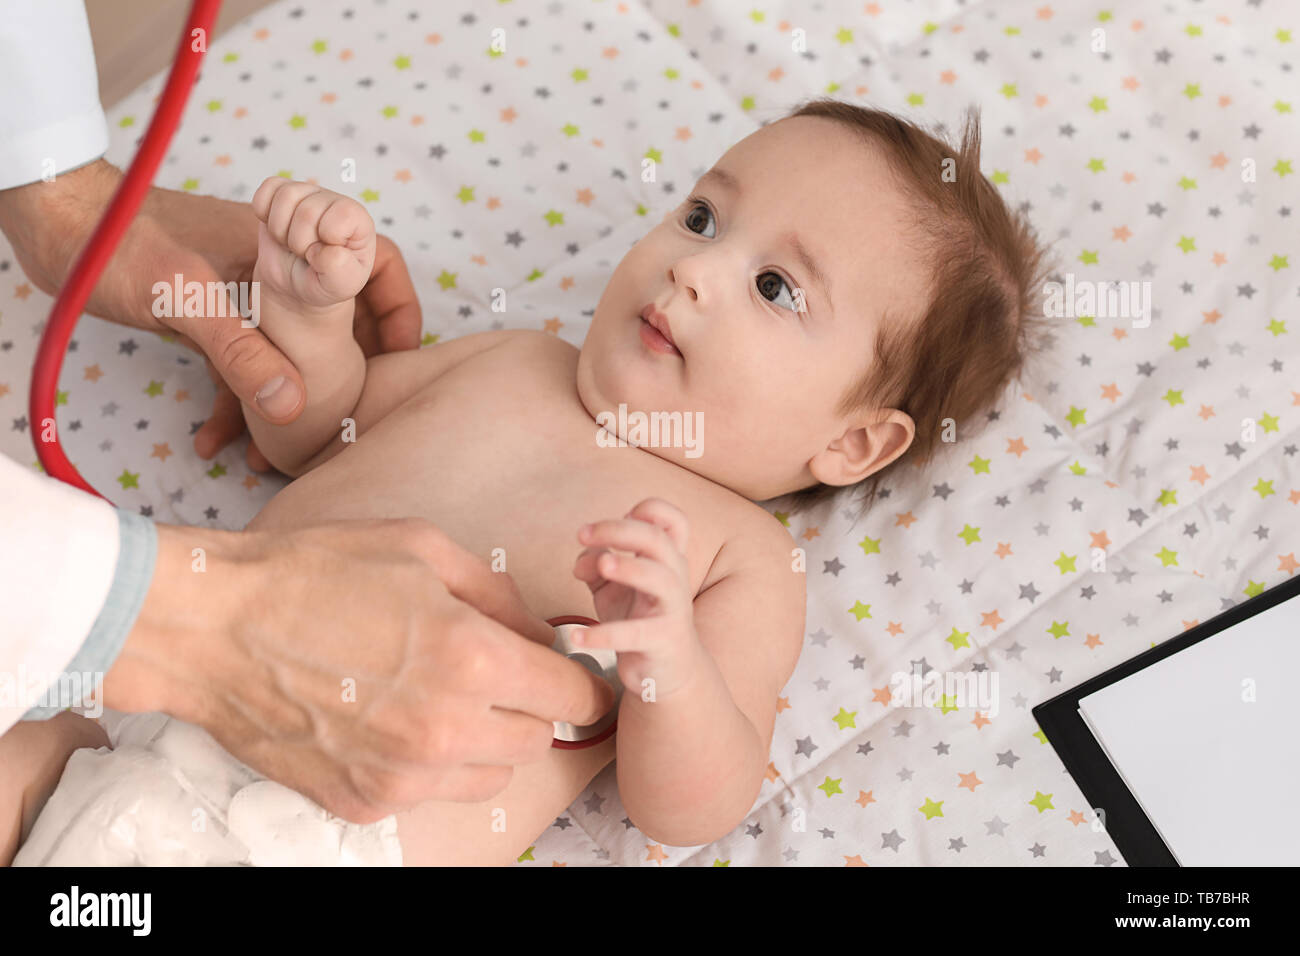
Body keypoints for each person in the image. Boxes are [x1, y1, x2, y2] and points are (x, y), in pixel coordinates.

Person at [0, 0, 615, 840]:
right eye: (700, 218)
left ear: (852, 443)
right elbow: (316, 434)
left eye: (777, 287)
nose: (700, 271)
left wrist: (674, 668)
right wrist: (307, 320)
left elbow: (687, 798)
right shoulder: (518, 360)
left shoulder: (737, 551)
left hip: (325, 838)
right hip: (153, 733)